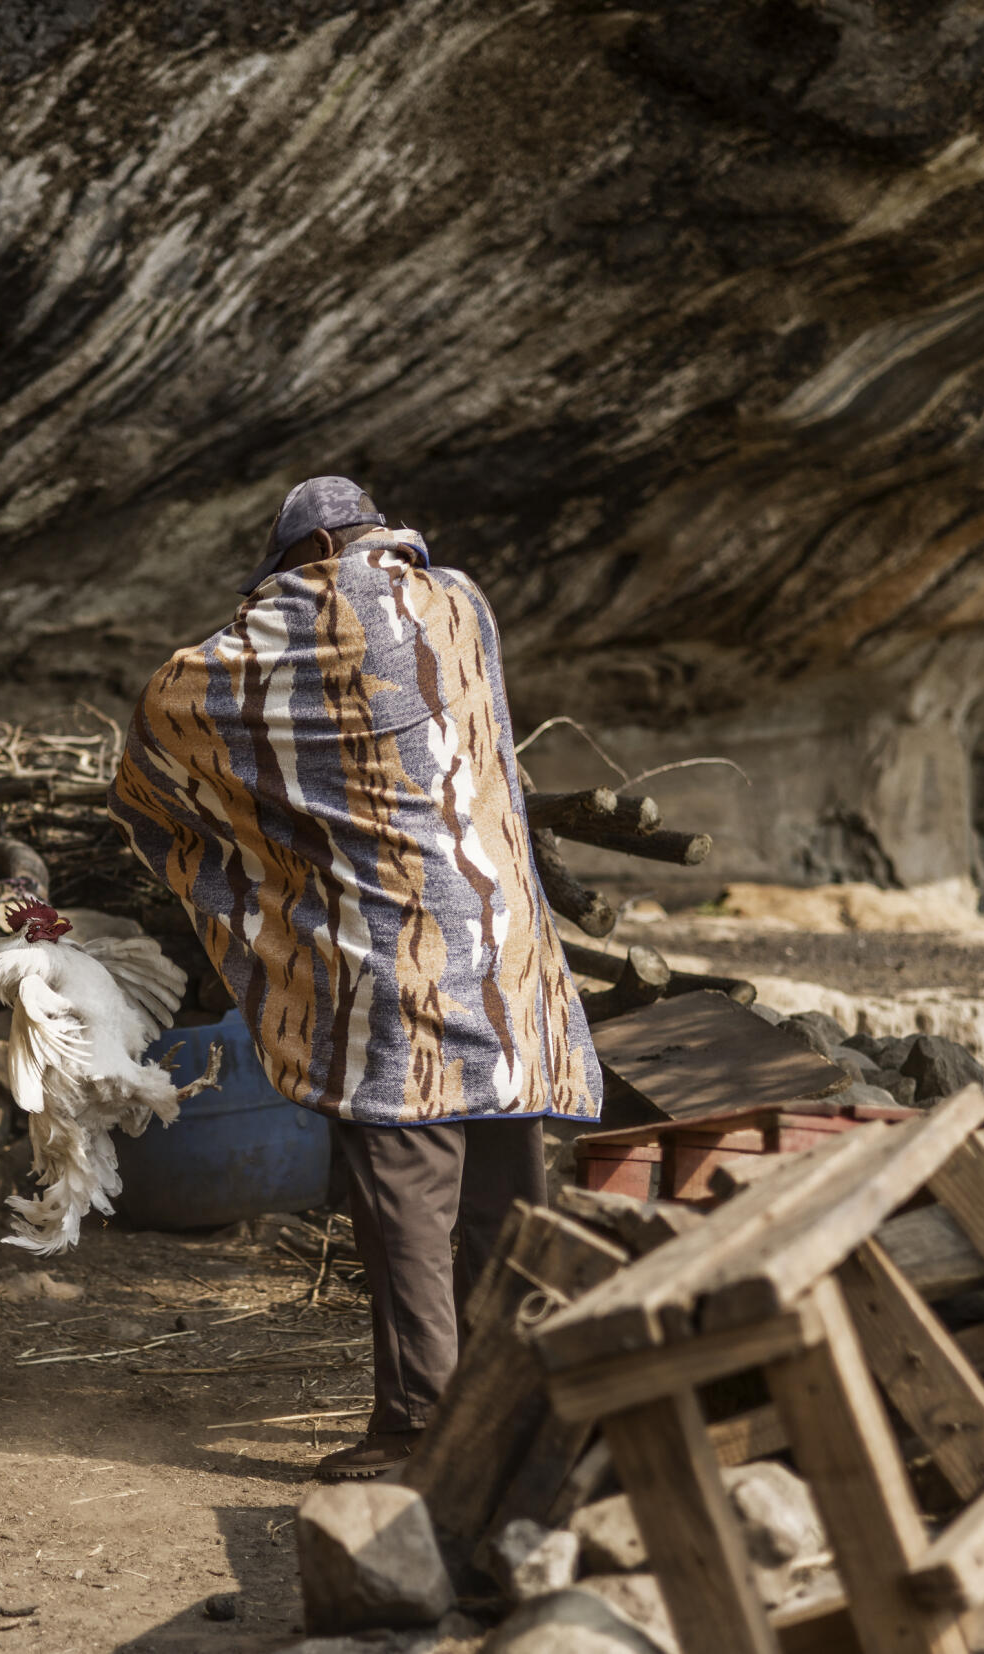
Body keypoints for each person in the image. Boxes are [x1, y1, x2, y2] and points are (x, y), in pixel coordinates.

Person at [109, 476, 603, 1481]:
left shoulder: (305, 610)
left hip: (398, 963)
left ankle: (418, 1431)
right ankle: (513, 1408)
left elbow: (165, 708)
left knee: (405, 1196)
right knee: (505, 1194)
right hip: (503, 949)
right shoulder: (459, 605)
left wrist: (259, 844)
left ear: (310, 550)